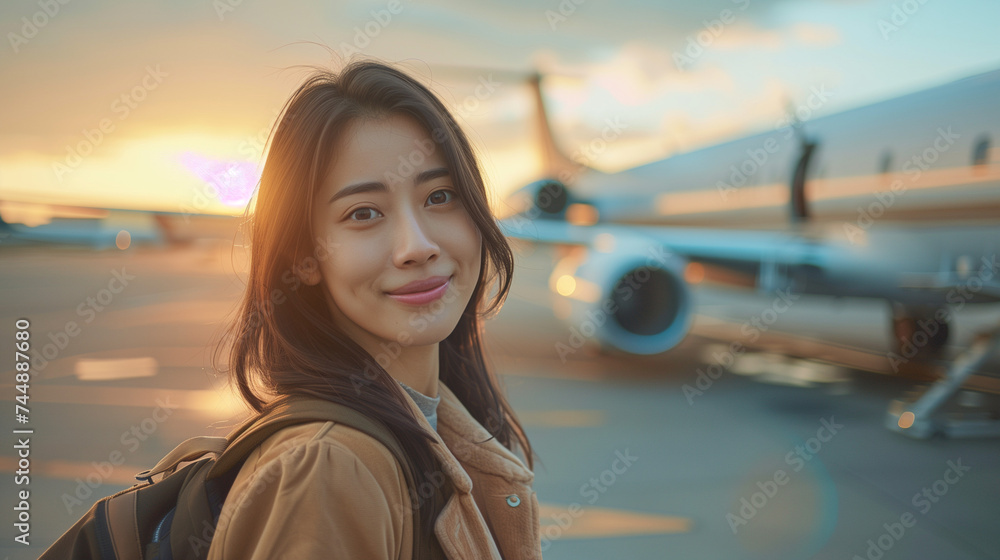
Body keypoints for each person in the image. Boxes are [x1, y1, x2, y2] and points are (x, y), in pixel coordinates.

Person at [206, 58, 541, 560]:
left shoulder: (439, 429)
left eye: (441, 196)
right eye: (364, 213)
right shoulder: (328, 468)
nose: (416, 246)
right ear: (304, 256)